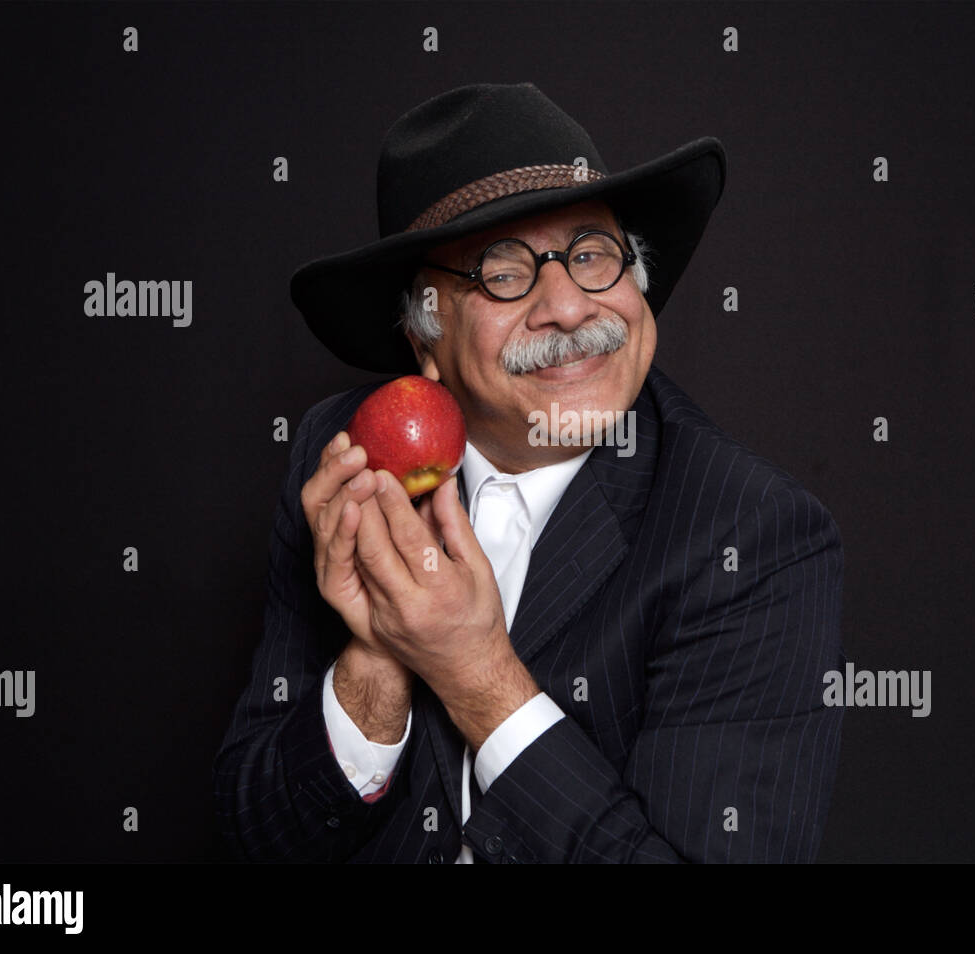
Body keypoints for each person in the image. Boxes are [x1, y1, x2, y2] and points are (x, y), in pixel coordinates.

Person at [213, 82, 847, 863]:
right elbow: (257, 835)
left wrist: (476, 674)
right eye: (503, 270)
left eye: (590, 254)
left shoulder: (753, 532)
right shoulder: (344, 459)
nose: (570, 307)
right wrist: (377, 658)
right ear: (425, 338)